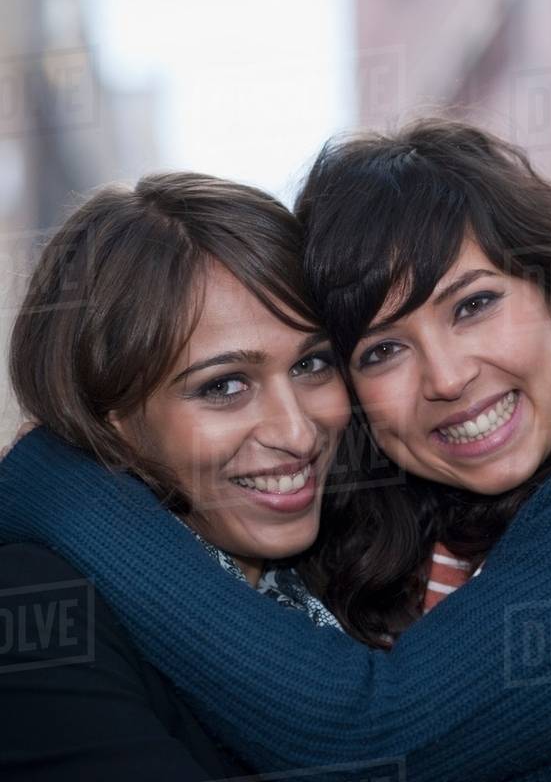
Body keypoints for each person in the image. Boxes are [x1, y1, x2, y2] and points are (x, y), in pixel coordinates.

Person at [0, 120, 551, 781]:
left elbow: (366, 733)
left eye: (474, 305)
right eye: (381, 350)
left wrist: (58, 482)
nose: (448, 377)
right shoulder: (377, 552)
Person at [0, 172, 349, 780]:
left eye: (312, 364)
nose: (297, 433)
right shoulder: (39, 607)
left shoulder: (356, 561)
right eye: (225, 386)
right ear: (111, 421)